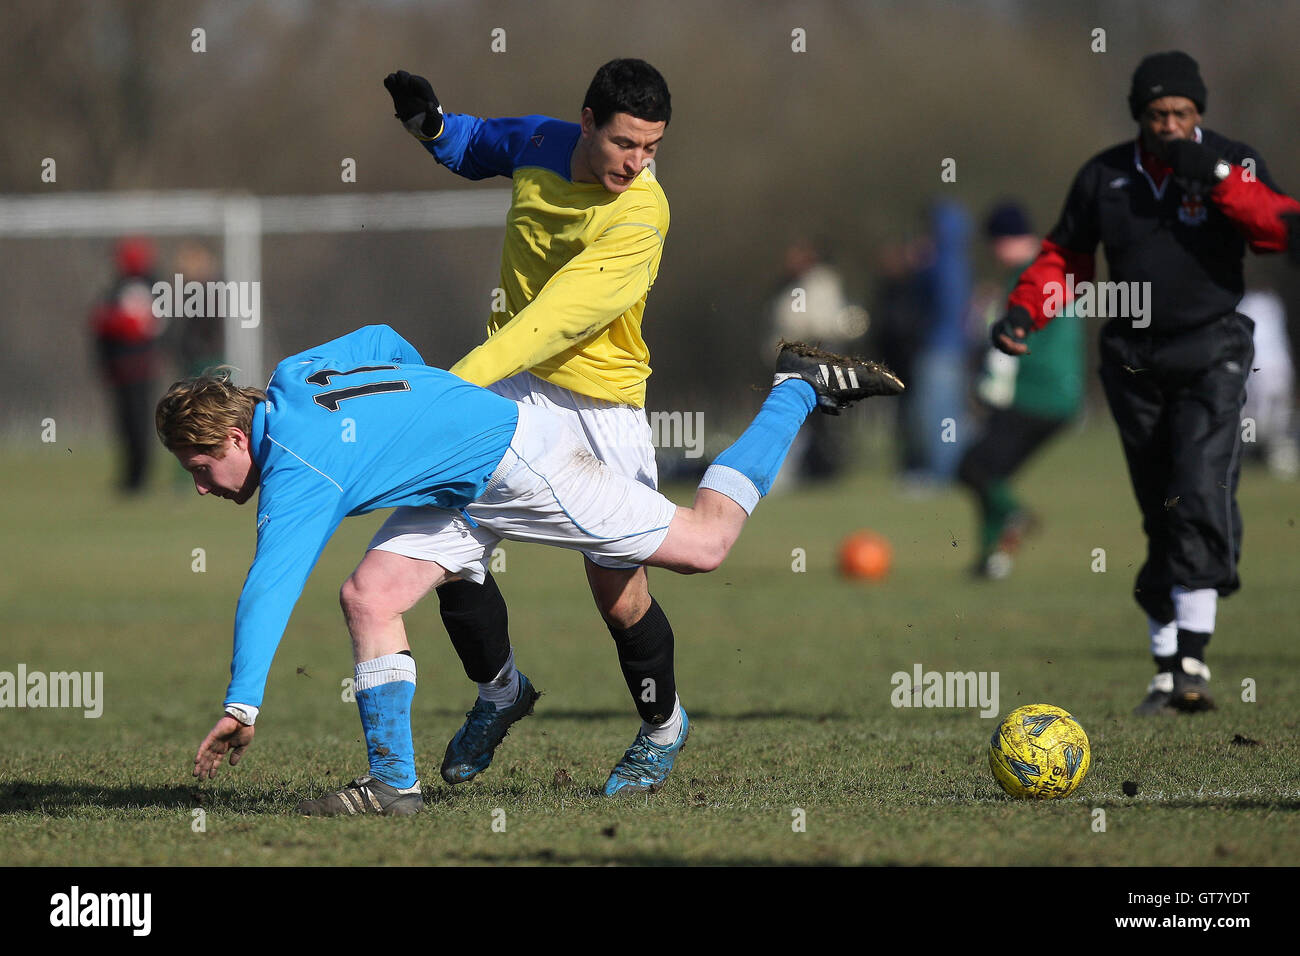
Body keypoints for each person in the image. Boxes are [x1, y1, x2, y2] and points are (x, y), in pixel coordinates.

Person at [157, 324, 902, 815]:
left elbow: (269, 585)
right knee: (370, 594)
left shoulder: (296, 468)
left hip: (521, 466)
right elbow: (385, 340)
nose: (200, 486)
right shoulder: (294, 373)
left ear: (232, 435)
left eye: (200, 466)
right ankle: (393, 784)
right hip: (463, 476)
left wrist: (242, 704)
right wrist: (429, 417)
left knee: (704, 544)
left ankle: (797, 387)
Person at [382, 60, 695, 796]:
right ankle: (500, 694)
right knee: (446, 545)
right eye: (625, 143)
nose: (638, 162)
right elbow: (477, 143)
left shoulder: (643, 214)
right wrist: (428, 124)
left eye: (652, 148)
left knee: (617, 591)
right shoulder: (539, 142)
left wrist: (451, 387)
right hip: (512, 391)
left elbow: (553, 323)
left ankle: (663, 727)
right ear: (586, 121)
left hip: (601, 408)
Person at [990, 51, 1300, 715]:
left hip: (1212, 347)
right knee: (1160, 504)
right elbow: (1064, 260)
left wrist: (1216, 178)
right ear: (1140, 116)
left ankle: (1192, 657)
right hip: (1132, 357)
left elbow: (1281, 230)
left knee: (1199, 485)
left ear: (1199, 113)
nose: (1170, 125)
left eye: (1182, 114)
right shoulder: (1105, 177)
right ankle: (1167, 666)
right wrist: (1024, 313)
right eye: (1158, 114)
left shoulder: (1228, 161)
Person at [959, 203, 1083, 578]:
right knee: (994, 474)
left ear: (1001, 241)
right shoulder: (1056, 269)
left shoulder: (1022, 277)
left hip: (1031, 394)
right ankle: (992, 561)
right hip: (1064, 397)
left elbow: (1009, 341)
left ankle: (1012, 516)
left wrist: (988, 390)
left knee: (974, 468)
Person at [90, 237, 167, 494]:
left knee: (139, 423)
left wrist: (117, 323)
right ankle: (130, 476)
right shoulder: (118, 288)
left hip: (139, 367)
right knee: (125, 424)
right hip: (121, 368)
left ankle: (139, 477)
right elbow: (101, 326)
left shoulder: (149, 287)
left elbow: (150, 325)